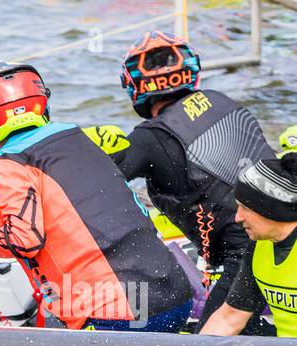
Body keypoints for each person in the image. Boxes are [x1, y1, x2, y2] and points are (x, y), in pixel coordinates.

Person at [0, 62, 195, 332]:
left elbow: (23, 241)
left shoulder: (6, 163)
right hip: (175, 294)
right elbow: (64, 189)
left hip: (123, 313)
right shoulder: (80, 138)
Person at [80, 33, 273, 330]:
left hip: (249, 254)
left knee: (208, 343)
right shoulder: (222, 101)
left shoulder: (150, 137)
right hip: (282, 233)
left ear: (134, 87)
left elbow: (95, 187)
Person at [200, 153, 297, 337]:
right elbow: (230, 317)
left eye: (245, 208)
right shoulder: (258, 248)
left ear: (270, 209)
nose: (238, 218)